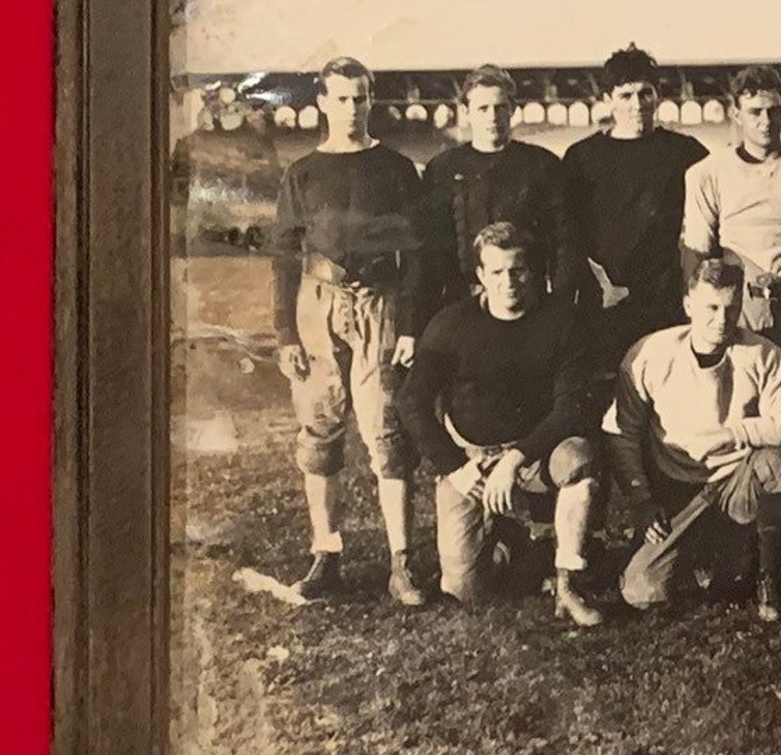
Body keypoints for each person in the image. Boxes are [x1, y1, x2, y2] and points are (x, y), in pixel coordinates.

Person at [272, 56, 426, 605]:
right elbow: (286, 258)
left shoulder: (397, 169)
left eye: (361, 98)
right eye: (341, 98)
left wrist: (408, 326)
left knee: (386, 430)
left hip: (380, 302)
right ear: (323, 103)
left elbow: (417, 256)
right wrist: (285, 334)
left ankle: (401, 564)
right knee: (320, 431)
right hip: (318, 306)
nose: (352, 108)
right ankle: (326, 555)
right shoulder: (303, 173)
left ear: (371, 100)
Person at [398, 222, 605, 625]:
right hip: (471, 459)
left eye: (518, 270)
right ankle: (517, 543)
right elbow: (412, 401)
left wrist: (516, 458)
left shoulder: (563, 319)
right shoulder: (451, 323)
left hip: (536, 453)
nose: (508, 282)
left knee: (580, 462)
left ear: (535, 272)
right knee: (465, 589)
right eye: (496, 272)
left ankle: (567, 584)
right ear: (480, 276)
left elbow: (571, 407)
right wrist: (454, 468)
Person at [611, 258, 781, 620]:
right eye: (711, 308)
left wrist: (733, 433)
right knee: (643, 590)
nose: (721, 320)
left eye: (731, 309)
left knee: (777, 461)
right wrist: (641, 499)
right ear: (688, 305)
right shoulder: (650, 354)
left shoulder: (761, 354)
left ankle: (770, 574)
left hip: (736, 482)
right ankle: (706, 556)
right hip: (677, 490)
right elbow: (623, 435)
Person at [681, 64, 781, 383]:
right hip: (736, 306)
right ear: (737, 114)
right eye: (755, 111)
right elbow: (697, 255)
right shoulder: (707, 173)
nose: (765, 122)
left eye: (773, 111)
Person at [562, 45, 708, 368]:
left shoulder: (687, 153)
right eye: (625, 95)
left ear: (657, 96)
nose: (637, 105)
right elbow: (568, 234)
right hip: (604, 299)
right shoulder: (581, 158)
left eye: (645, 93)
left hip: (666, 300)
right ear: (607, 100)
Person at [418, 64, 573, 323]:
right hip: (463, 302)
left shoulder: (542, 164)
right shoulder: (443, 168)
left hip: (528, 302)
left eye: (500, 107)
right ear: (466, 112)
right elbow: (431, 249)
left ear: (513, 110)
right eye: (483, 109)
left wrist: (562, 303)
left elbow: (563, 241)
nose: (493, 117)